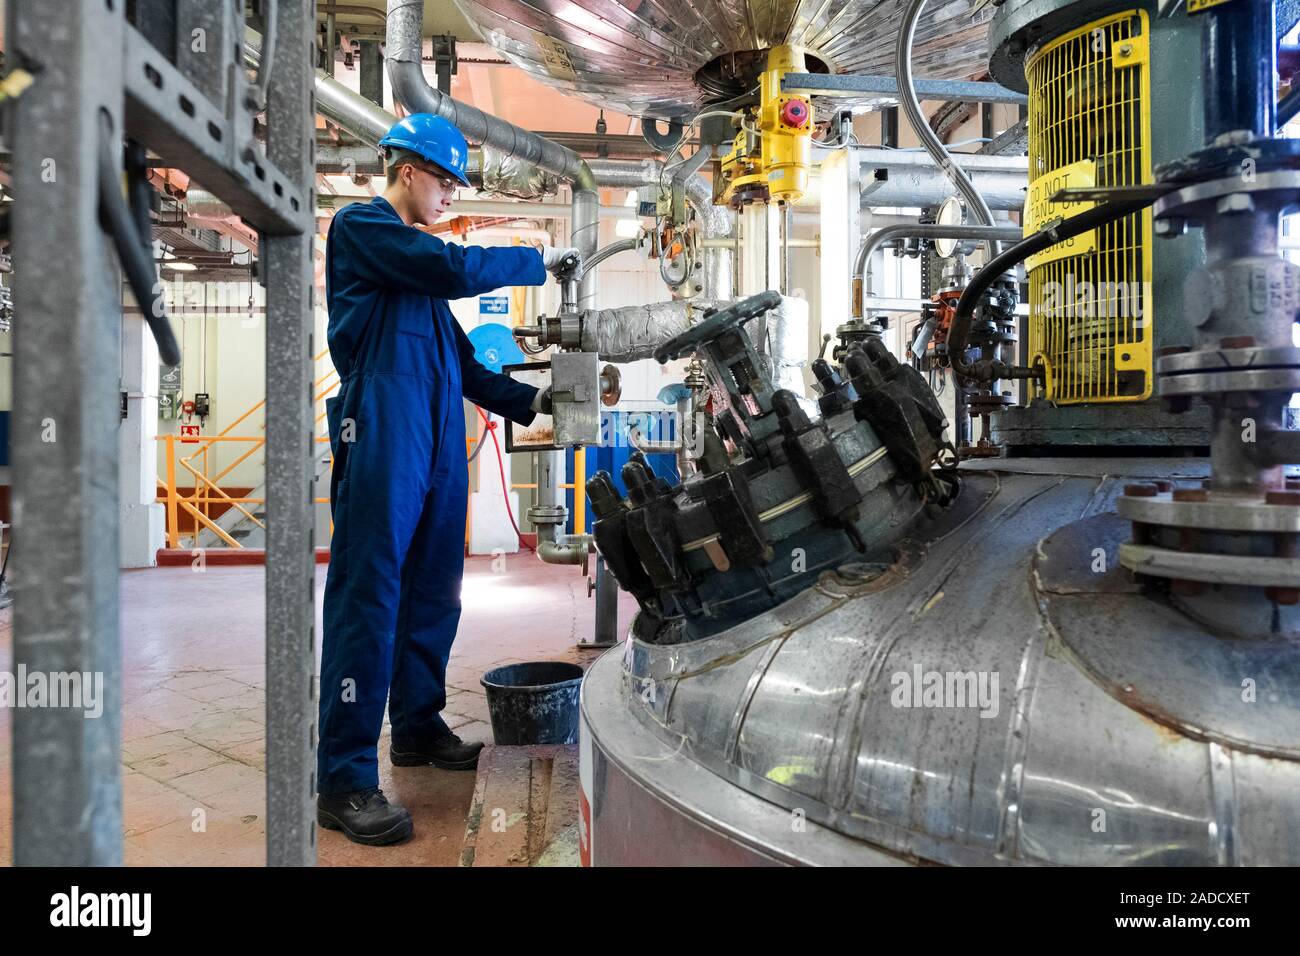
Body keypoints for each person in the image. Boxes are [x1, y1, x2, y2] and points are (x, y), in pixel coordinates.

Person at [316, 113, 575, 846]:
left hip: (432, 441)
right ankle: (342, 778)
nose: (449, 196)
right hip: (380, 432)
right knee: (369, 598)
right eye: (444, 180)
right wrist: (538, 258)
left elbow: (463, 368)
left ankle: (417, 726)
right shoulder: (363, 230)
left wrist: (535, 402)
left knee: (434, 588)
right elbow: (456, 268)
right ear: (406, 169)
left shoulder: (418, 277)